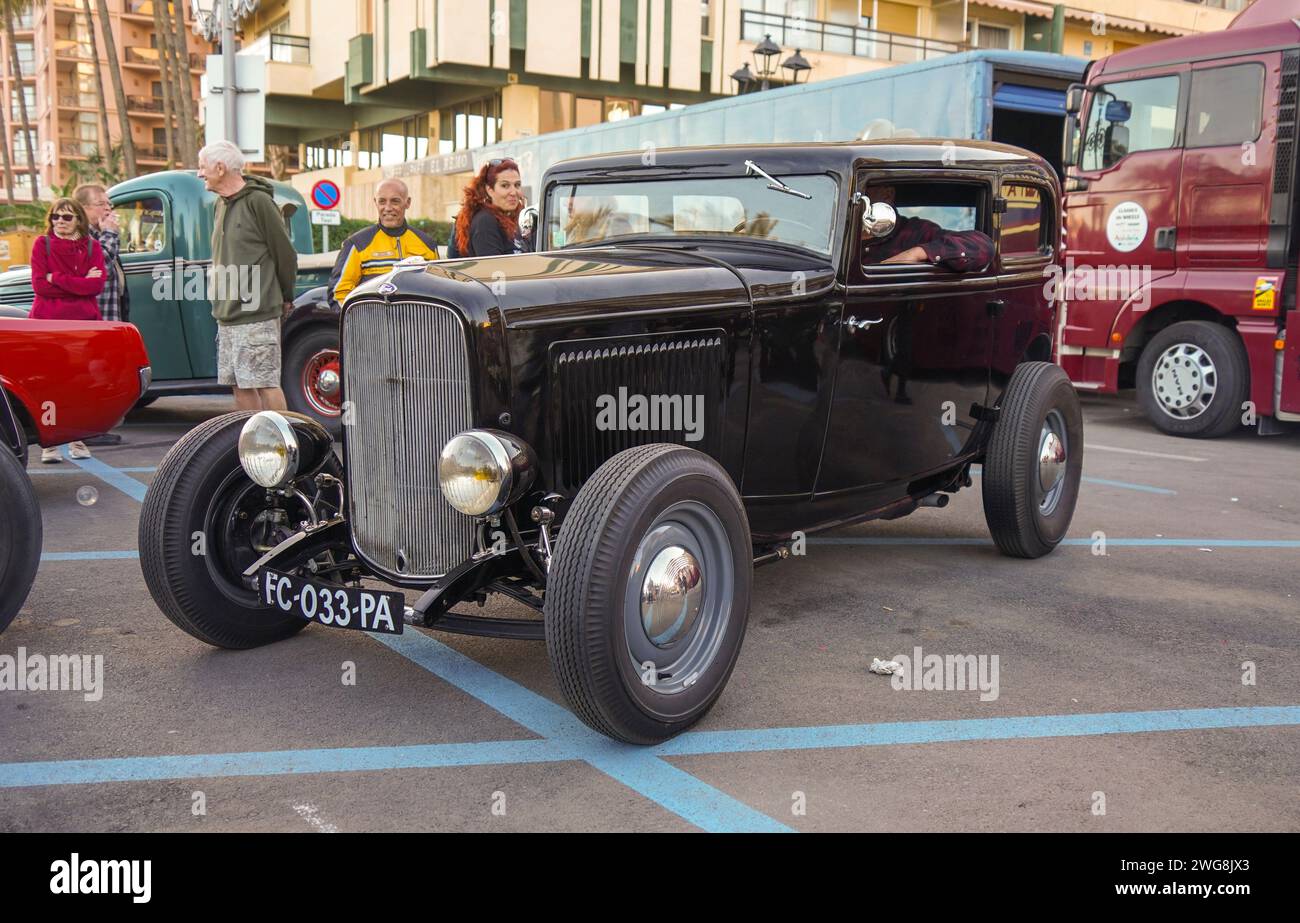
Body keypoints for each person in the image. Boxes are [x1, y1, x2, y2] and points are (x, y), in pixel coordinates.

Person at [197, 140, 297, 413]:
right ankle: (254, 448)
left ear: (220, 167)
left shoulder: (259, 202)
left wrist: (287, 296)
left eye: (202, 167)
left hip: (258, 312)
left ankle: (284, 445)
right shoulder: (219, 205)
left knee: (265, 382)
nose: (199, 173)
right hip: (227, 316)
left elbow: (285, 253)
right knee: (239, 384)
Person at [30, 198, 106, 462]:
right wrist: (80, 282)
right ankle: (49, 444)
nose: (60, 222)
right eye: (55, 217)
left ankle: (77, 438)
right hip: (47, 325)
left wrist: (57, 279)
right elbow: (40, 286)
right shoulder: (43, 244)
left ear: (79, 220)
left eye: (67, 217)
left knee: (79, 384)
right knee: (48, 384)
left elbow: (96, 288)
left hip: (82, 327)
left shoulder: (92, 247)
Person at [329, 178, 440, 305]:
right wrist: (361, 321)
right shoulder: (357, 244)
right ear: (375, 202)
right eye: (382, 201)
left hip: (418, 323)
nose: (388, 208)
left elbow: (436, 290)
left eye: (395, 201)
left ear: (407, 202)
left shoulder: (428, 244)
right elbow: (338, 294)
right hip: (373, 323)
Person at [861, 186, 994, 272]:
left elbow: (983, 246)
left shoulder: (915, 233)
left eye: (863, 192)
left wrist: (917, 253)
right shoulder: (842, 233)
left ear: (887, 195)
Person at [74, 184, 128, 323]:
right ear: (82, 209)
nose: (108, 208)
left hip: (108, 314)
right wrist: (110, 233)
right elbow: (102, 268)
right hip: (92, 320)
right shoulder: (77, 235)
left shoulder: (100, 234)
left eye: (109, 204)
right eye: (100, 204)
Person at [453, 158, 527, 257]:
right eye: (505, 185)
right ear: (489, 190)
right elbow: (494, 270)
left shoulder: (512, 219)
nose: (513, 192)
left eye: (517, 185)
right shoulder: (485, 222)